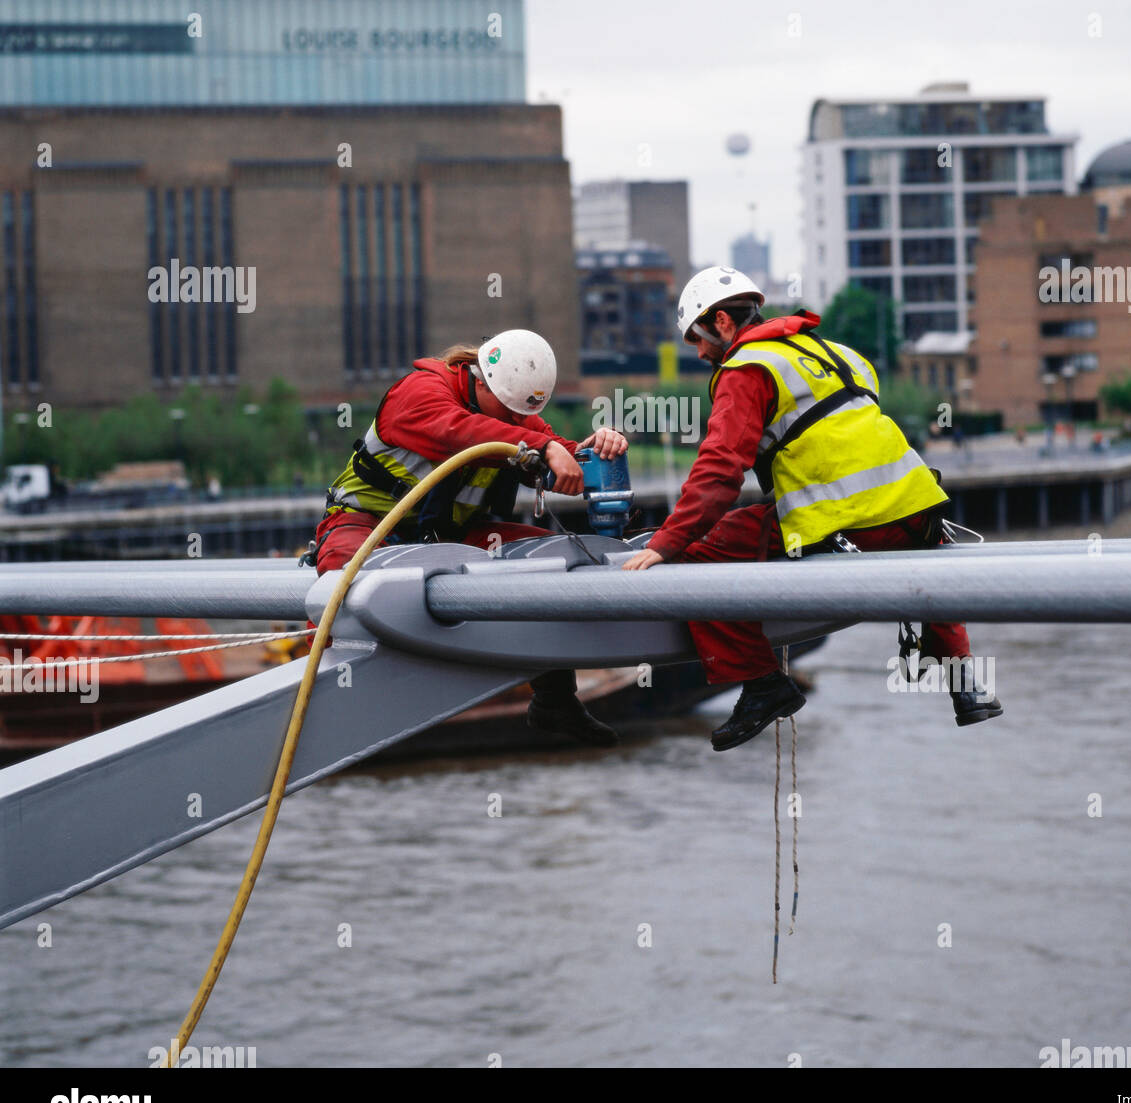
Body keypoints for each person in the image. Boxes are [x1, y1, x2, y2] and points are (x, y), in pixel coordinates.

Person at [622, 267, 1001, 750]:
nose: (698, 353)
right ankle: (967, 687)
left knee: (698, 555)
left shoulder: (745, 369)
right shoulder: (836, 353)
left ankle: (761, 685)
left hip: (848, 520)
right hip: (917, 505)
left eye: (697, 338)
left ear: (721, 322)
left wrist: (664, 544)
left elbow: (719, 473)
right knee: (930, 562)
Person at [312, 329, 628, 747]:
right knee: (347, 580)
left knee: (547, 559)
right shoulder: (421, 393)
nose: (515, 422)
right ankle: (331, 701)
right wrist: (545, 445)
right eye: (511, 413)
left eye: (522, 416)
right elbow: (461, 432)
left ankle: (555, 699)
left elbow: (557, 456)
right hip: (366, 522)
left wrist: (595, 449)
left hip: (450, 532)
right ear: (481, 380)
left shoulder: (511, 413)